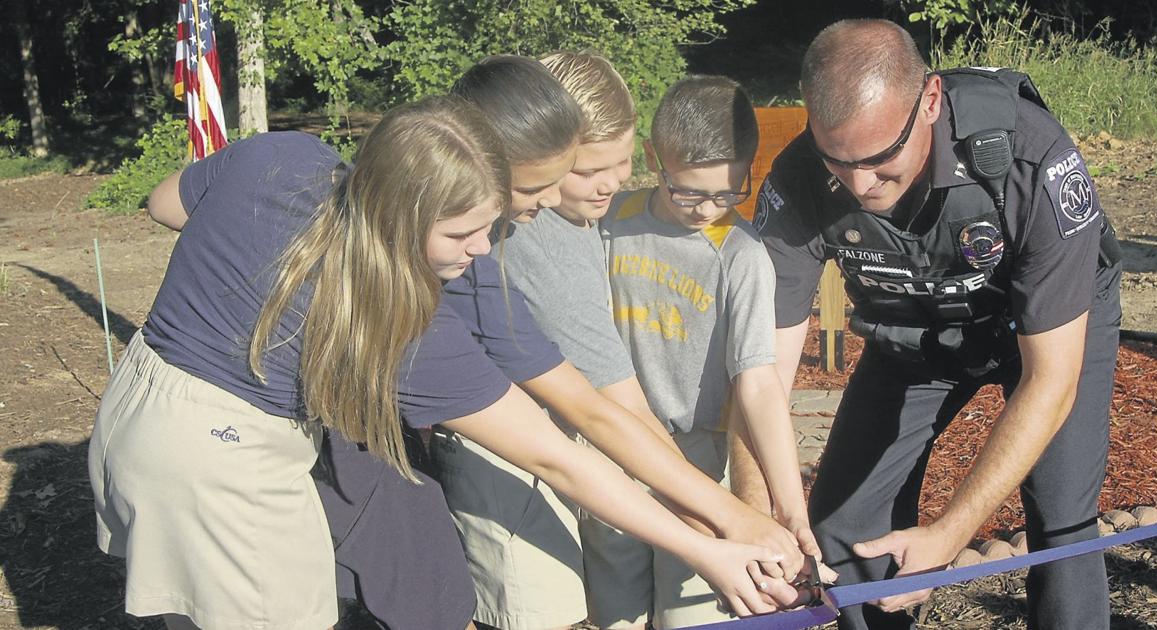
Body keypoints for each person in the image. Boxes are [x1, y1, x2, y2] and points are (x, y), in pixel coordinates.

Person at [88, 95, 785, 630]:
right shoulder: (392, 318)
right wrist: (707, 548)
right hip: (220, 462)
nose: (483, 249)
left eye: (491, 224)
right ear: (396, 212)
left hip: (136, 401)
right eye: (461, 232)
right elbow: (558, 456)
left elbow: (166, 203)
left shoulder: (284, 157)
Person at [749, 18, 1123, 630]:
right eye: (836, 160)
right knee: (842, 525)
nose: (859, 183)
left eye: (879, 159)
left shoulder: (1031, 156)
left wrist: (951, 533)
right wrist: (758, 514)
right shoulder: (799, 178)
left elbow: (1051, 381)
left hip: (1041, 324)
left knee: (1062, 525)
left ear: (929, 102)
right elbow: (759, 371)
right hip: (912, 327)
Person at [428, 55, 806, 630]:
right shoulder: (547, 235)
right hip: (522, 450)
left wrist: (744, 520)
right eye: (583, 171)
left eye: (621, 162)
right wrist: (724, 525)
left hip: (586, 445)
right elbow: (608, 409)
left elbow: (750, 383)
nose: (607, 184)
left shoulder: (590, 221)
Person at [599, 75, 820, 629]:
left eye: (728, 192)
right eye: (688, 192)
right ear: (654, 158)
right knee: (615, 607)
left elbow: (760, 382)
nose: (706, 209)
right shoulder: (609, 223)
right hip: (613, 447)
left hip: (700, 457)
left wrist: (789, 505)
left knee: (692, 610)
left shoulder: (741, 256)